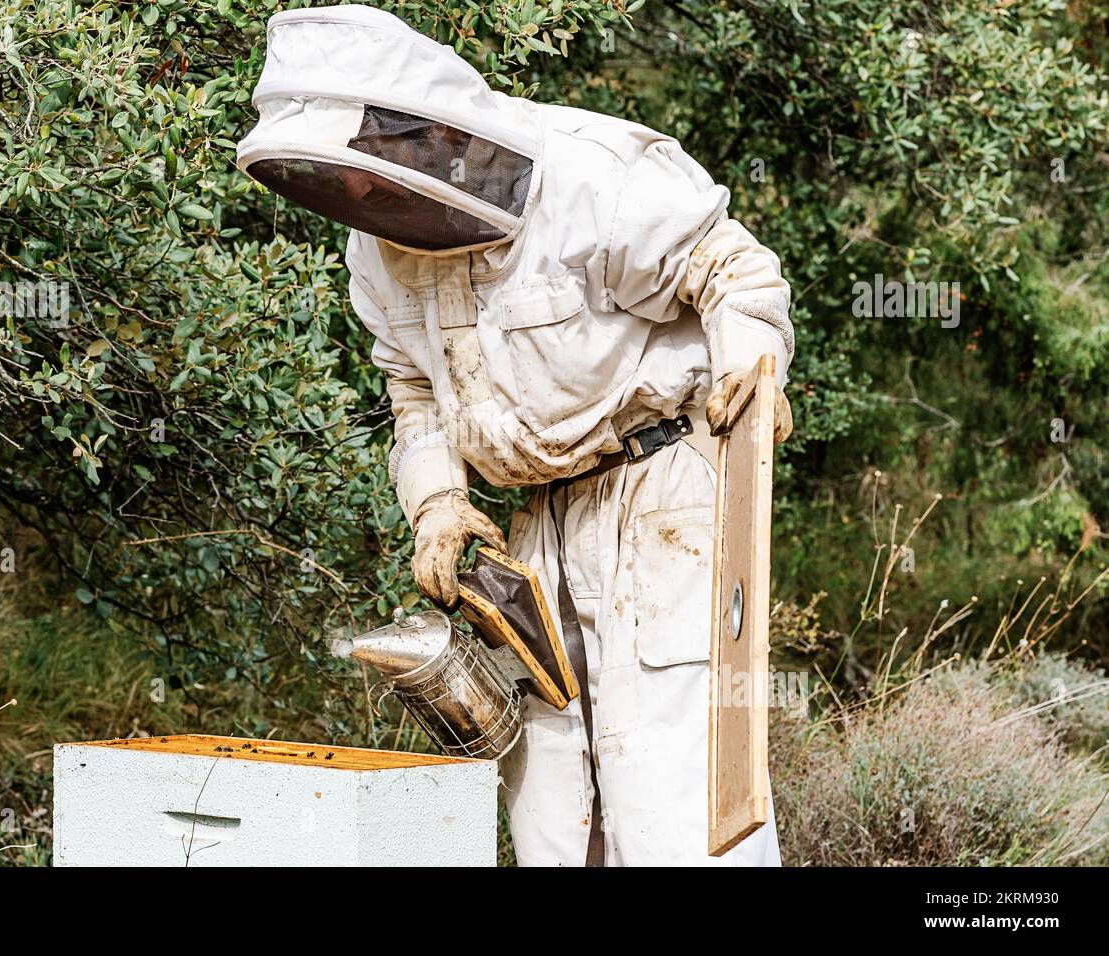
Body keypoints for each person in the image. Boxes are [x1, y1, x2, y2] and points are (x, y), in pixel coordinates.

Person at [236, 4, 793, 866]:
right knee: (555, 805)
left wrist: (747, 364)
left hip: (665, 496)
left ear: (416, 136)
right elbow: (412, 388)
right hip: (534, 534)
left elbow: (731, 267)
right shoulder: (377, 251)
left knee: (674, 797)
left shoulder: (594, 177)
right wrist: (439, 504)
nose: (354, 197)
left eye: (361, 171)